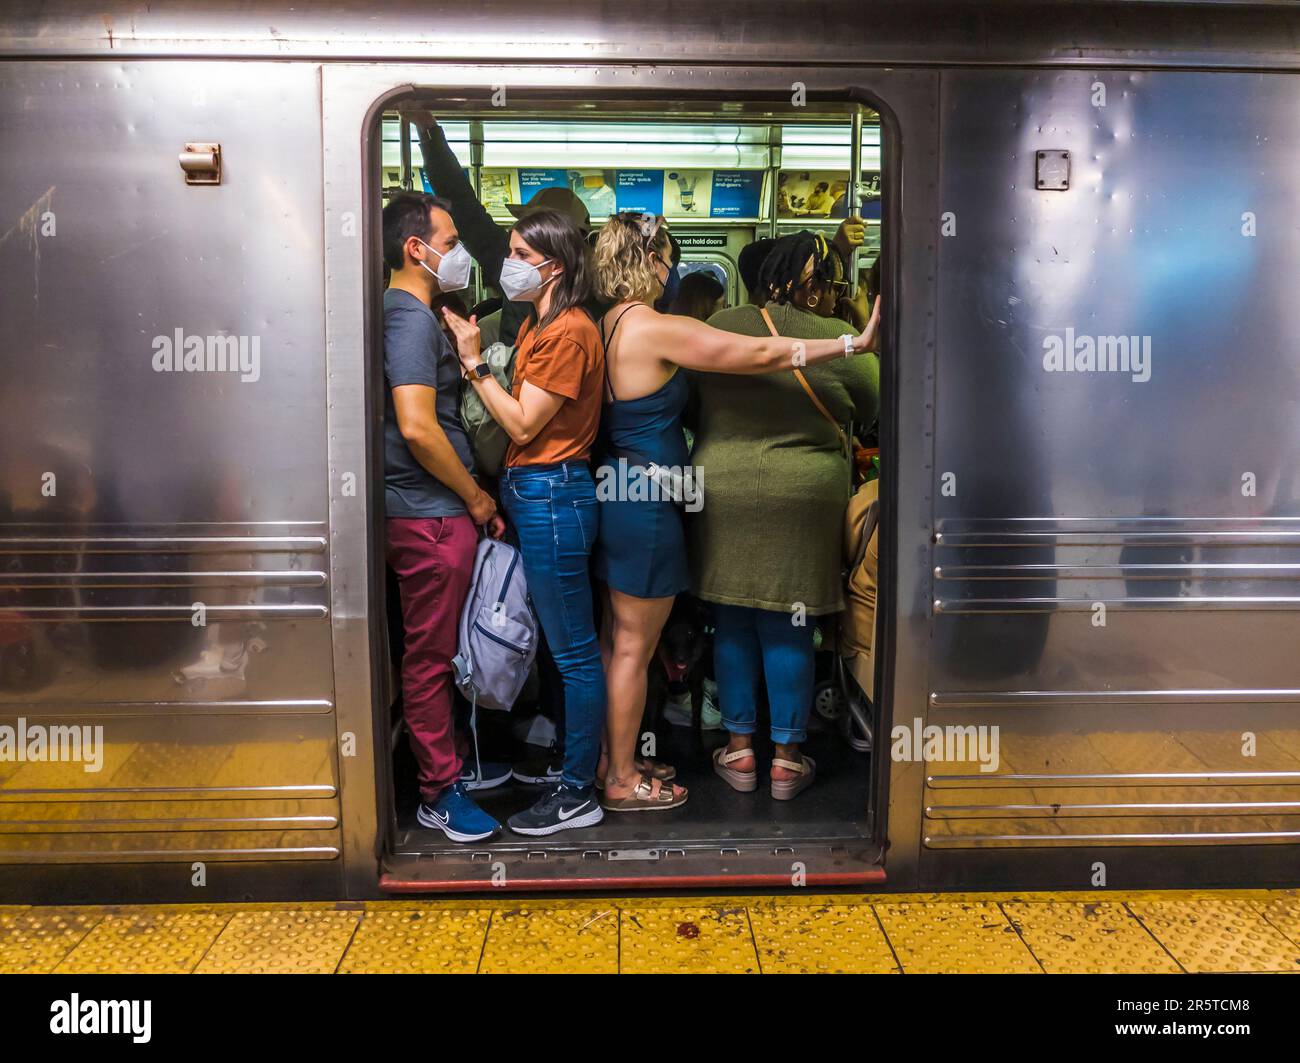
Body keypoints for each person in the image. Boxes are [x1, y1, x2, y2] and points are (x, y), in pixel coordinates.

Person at [588, 214, 880, 811]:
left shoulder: (611, 321)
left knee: (645, 637)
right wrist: (850, 341)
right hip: (653, 505)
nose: (672, 270)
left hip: (642, 493)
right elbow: (755, 353)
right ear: (650, 262)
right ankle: (627, 777)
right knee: (638, 647)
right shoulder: (652, 325)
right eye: (667, 257)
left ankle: (655, 757)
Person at [693, 230, 881, 800]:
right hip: (805, 493)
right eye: (829, 284)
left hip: (720, 487)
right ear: (816, 286)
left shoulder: (720, 325)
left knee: (731, 619)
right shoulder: (840, 336)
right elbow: (869, 410)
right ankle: (787, 760)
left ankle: (741, 751)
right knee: (790, 621)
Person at [440, 208, 609, 837]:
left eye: (517, 254)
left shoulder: (568, 332)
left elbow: (520, 424)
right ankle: (570, 767)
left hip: (554, 496)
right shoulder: (544, 325)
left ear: (553, 267)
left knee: (573, 653)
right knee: (564, 647)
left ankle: (577, 791)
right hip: (535, 493)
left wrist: (474, 362)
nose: (507, 264)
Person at [380, 192, 508, 843]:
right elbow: (418, 428)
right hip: (430, 514)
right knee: (430, 656)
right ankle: (437, 791)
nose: (457, 252)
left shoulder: (422, 315)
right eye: (450, 239)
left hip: (437, 510)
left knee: (442, 649)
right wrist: (476, 497)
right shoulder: (406, 318)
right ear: (415, 248)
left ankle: (453, 763)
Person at [407, 111, 592, 347]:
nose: (514, 257)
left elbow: (465, 211)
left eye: (531, 237)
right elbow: (463, 208)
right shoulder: (518, 268)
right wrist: (429, 132)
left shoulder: (575, 324)